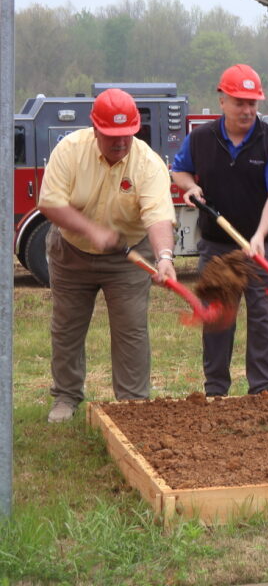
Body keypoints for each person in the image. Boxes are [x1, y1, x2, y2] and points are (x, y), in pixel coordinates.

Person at [39, 88, 177, 423]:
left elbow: (158, 215)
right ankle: (66, 396)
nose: (121, 142)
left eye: (127, 134)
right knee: (67, 327)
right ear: (95, 129)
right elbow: (50, 203)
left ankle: (131, 405)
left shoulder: (148, 163)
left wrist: (164, 257)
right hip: (71, 252)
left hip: (128, 256)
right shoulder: (69, 151)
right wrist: (92, 231)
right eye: (113, 135)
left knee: (131, 330)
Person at [171, 64, 268, 395]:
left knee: (264, 320)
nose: (247, 110)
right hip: (217, 247)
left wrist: (259, 235)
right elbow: (179, 170)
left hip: (264, 247)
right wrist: (190, 187)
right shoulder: (201, 139)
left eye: (252, 103)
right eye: (239, 102)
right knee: (217, 319)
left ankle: (262, 392)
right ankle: (216, 390)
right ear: (222, 100)